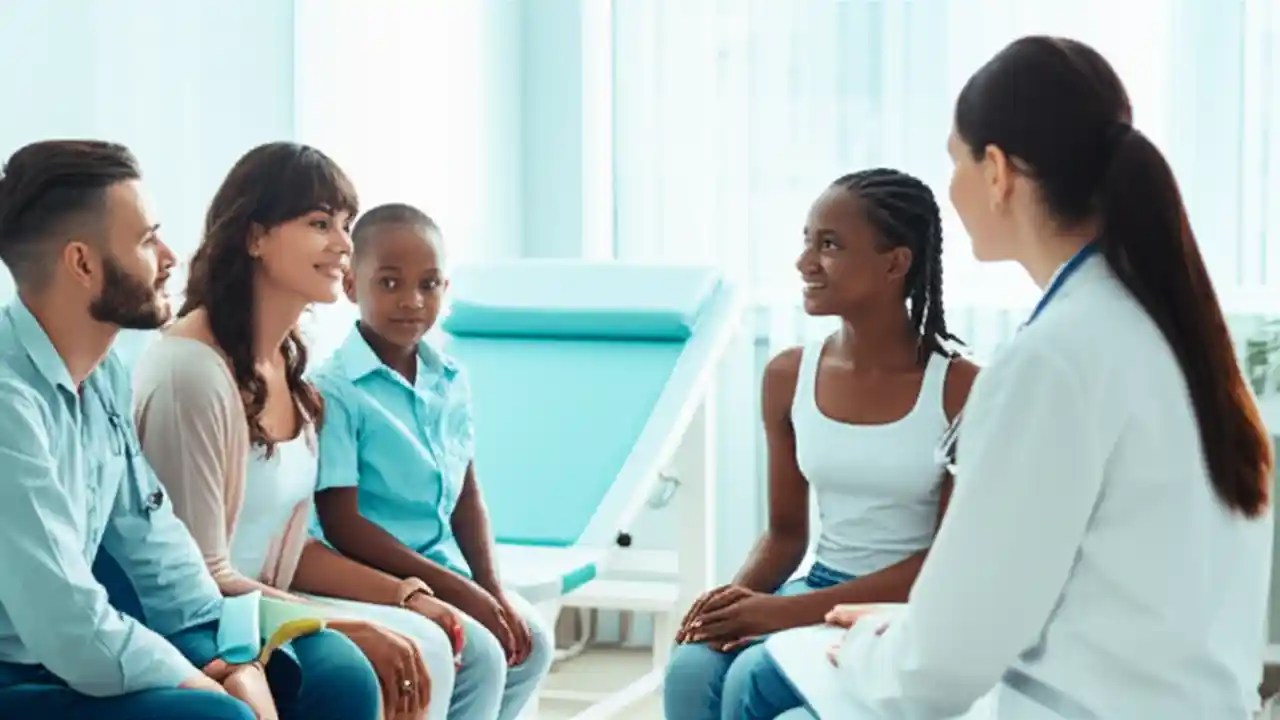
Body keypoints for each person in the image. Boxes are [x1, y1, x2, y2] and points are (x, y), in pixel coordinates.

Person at [824, 36, 1275, 719]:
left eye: (955, 160)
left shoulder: (1054, 361)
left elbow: (935, 674)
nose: (951, 186)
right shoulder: (1177, 335)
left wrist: (867, 651)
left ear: (998, 171)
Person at [0, 139, 380, 720]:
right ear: (82, 264)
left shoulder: (99, 374)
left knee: (337, 677)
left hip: (77, 649)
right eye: (147, 239)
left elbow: (156, 543)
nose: (171, 256)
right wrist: (200, 682)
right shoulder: (9, 406)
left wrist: (232, 656)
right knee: (218, 718)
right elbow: (70, 627)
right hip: (20, 672)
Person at [131, 143, 460, 720]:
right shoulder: (191, 373)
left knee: (434, 636)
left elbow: (287, 548)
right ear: (255, 237)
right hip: (213, 617)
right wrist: (340, 622)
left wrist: (403, 593)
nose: (343, 245)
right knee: (404, 652)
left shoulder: (282, 361)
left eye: (345, 224)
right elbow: (199, 576)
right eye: (318, 224)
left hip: (267, 596)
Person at [663, 169, 979, 720]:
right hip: (820, 583)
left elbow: (946, 564)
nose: (805, 262)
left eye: (829, 245)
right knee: (692, 666)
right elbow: (786, 534)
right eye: (807, 240)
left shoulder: (961, 389)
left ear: (894, 263)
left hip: (904, 606)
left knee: (754, 679)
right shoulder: (787, 376)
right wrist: (734, 606)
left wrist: (783, 614)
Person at [309, 203, 554, 720]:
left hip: (443, 568)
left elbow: (466, 496)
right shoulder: (335, 390)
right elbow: (342, 523)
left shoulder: (451, 379)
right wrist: (461, 591)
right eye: (390, 283)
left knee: (531, 642)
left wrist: (492, 590)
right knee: (482, 653)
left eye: (430, 283)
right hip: (370, 578)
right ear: (351, 285)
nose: (412, 301)